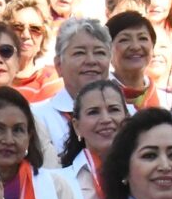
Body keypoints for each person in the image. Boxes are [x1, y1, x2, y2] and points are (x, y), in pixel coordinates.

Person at [34, 19, 113, 161]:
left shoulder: (129, 114)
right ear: (58, 65)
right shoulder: (37, 118)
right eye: (79, 53)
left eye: (100, 52)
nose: (91, 60)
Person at [60, 79, 129, 199]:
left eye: (114, 110)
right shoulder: (58, 182)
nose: (106, 119)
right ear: (77, 126)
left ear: (127, 119)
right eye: (93, 112)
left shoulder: (143, 176)